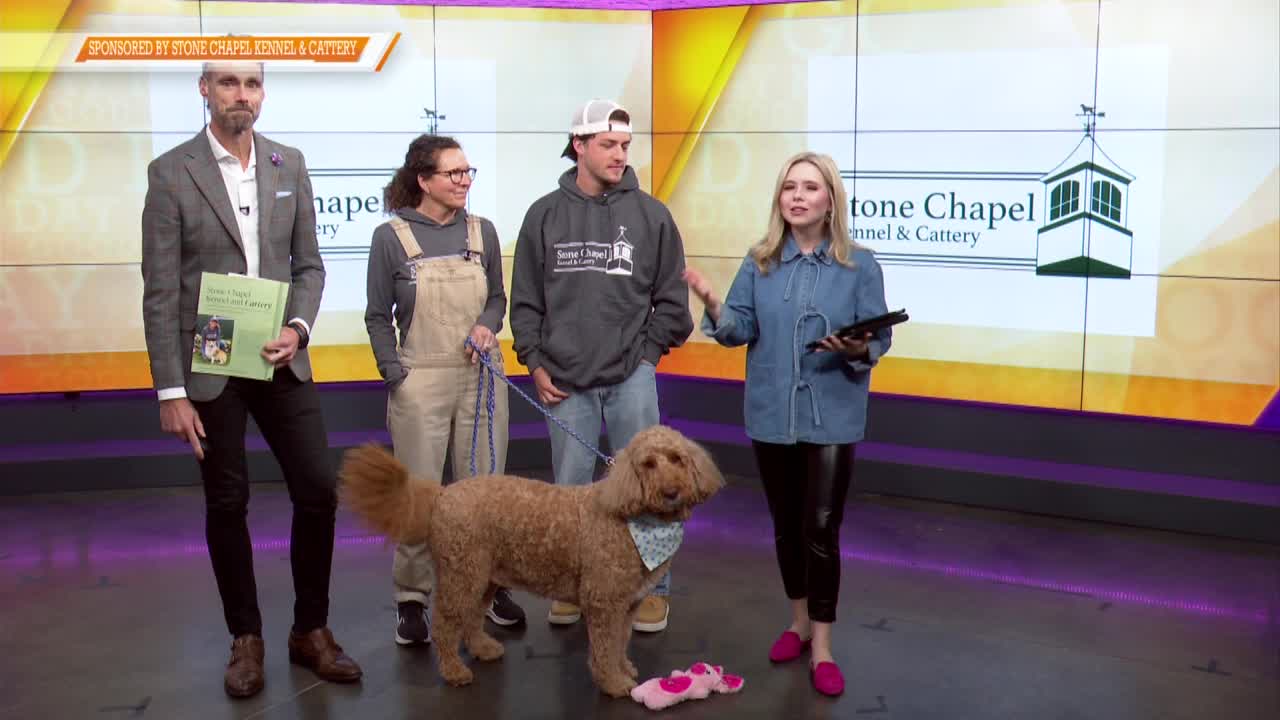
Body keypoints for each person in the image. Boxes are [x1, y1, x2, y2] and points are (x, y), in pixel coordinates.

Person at [140, 61, 362, 699]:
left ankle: (310, 630)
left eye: (253, 84)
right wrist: (170, 389)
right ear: (204, 90)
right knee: (227, 502)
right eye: (229, 83)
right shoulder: (171, 171)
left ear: (264, 93)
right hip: (209, 367)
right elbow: (160, 290)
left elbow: (311, 266)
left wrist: (298, 327)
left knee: (319, 490)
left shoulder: (288, 162)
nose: (243, 94)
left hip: (278, 357)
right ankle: (247, 638)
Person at [682, 151, 892, 697]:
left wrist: (855, 347)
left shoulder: (859, 265)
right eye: (789, 188)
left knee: (820, 530)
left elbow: (879, 340)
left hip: (833, 416)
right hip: (772, 415)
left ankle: (822, 644)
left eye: (810, 188)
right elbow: (737, 330)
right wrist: (712, 303)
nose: (797, 196)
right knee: (785, 527)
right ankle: (797, 622)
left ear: (830, 202)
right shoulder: (760, 263)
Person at [509, 99, 694, 633]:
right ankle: (571, 588)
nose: (620, 154)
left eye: (625, 145)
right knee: (570, 495)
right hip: (563, 380)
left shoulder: (652, 215)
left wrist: (646, 359)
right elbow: (525, 300)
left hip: (631, 376)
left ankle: (653, 588)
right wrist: (534, 361)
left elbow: (673, 303)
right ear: (579, 146)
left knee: (654, 490)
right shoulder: (544, 213)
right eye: (609, 145)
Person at [364, 134, 526, 647]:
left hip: (481, 375)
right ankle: (413, 599)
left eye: (467, 172)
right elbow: (376, 315)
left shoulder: (483, 231)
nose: (464, 182)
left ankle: (492, 587)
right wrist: (396, 374)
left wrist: (486, 325)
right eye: (453, 173)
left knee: (484, 492)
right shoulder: (391, 237)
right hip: (421, 378)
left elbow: (498, 296)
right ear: (423, 180)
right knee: (421, 493)